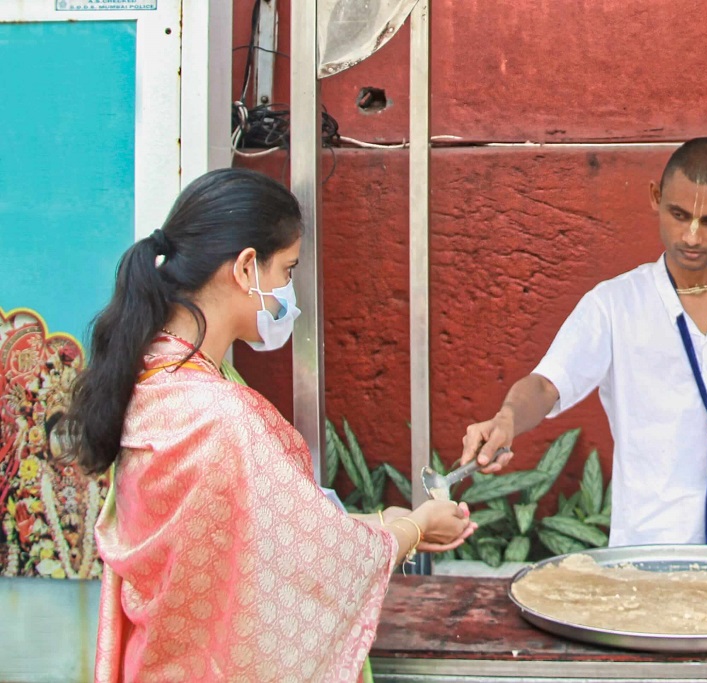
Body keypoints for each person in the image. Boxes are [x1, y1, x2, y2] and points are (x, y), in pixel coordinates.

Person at [63, 168, 475, 682]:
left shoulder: (156, 375)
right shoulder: (221, 416)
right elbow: (313, 565)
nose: (287, 292)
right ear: (245, 268)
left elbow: (254, 532)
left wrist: (379, 522)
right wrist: (414, 528)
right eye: (287, 270)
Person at [461, 138, 707, 554]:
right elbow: (546, 385)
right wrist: (507, 420)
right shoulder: (614, 304)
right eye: (679, 215)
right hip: (650, 557)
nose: (692, 236)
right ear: (655, 197)